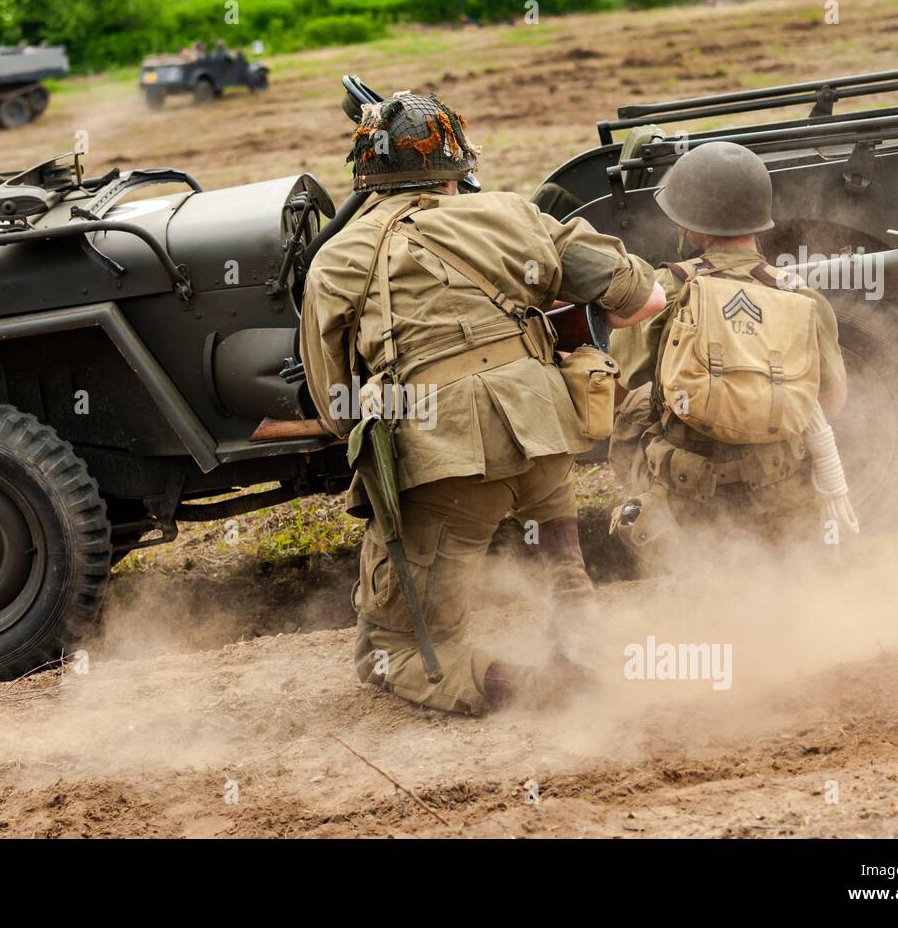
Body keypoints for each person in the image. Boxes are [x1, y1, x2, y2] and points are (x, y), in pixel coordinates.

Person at [299, 92, 665, 715]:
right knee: (563, 568)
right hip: (547, 434)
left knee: (393, 652)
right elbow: (644, 299)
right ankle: (584, 645)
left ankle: (544, 691)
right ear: (457, 165)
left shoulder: (338, 258)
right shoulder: (515, 215)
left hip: (449, 459)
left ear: (365, 175)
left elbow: (335, 408)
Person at [607, 141, 848, 559]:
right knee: (789, 591)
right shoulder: (803, 298)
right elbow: (830, 400)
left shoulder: (662, 293)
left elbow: (622, 392)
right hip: (781, 488)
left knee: (699, 602)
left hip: (687, 495)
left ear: (694, 228)